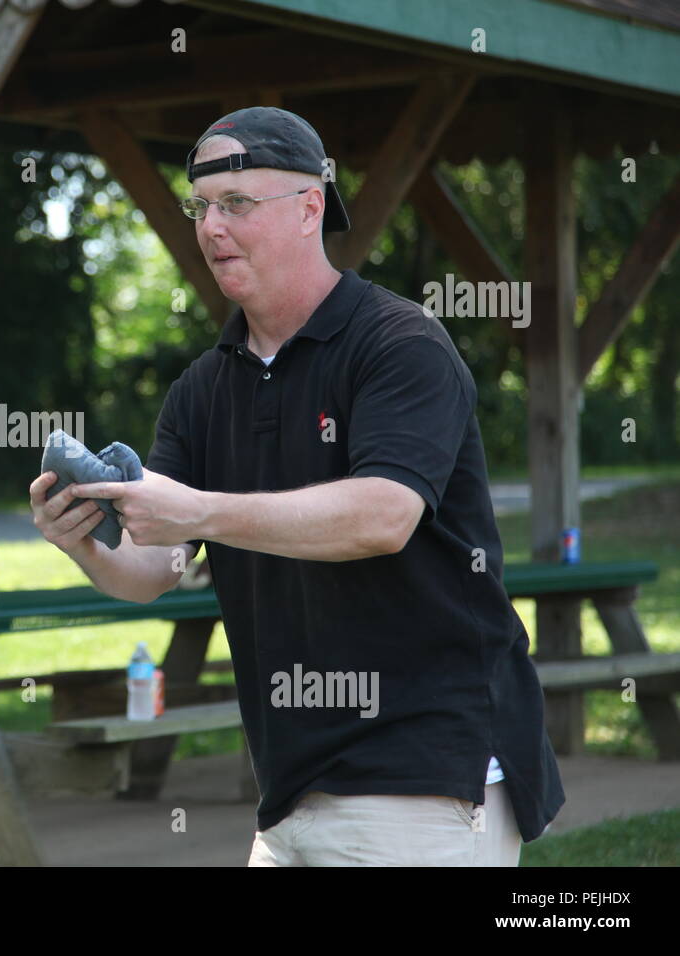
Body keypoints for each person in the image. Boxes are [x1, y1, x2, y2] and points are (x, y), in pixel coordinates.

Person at [29, 107, 564, 866]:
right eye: (200, 207)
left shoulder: (402, 343)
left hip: (423, 776)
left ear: (311, 206)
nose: (212, 227)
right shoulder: (202, 389)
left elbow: (382, 516)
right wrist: (81, 537)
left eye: (238, 204)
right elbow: (158, 568)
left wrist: (199, 509)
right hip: (287, 793)